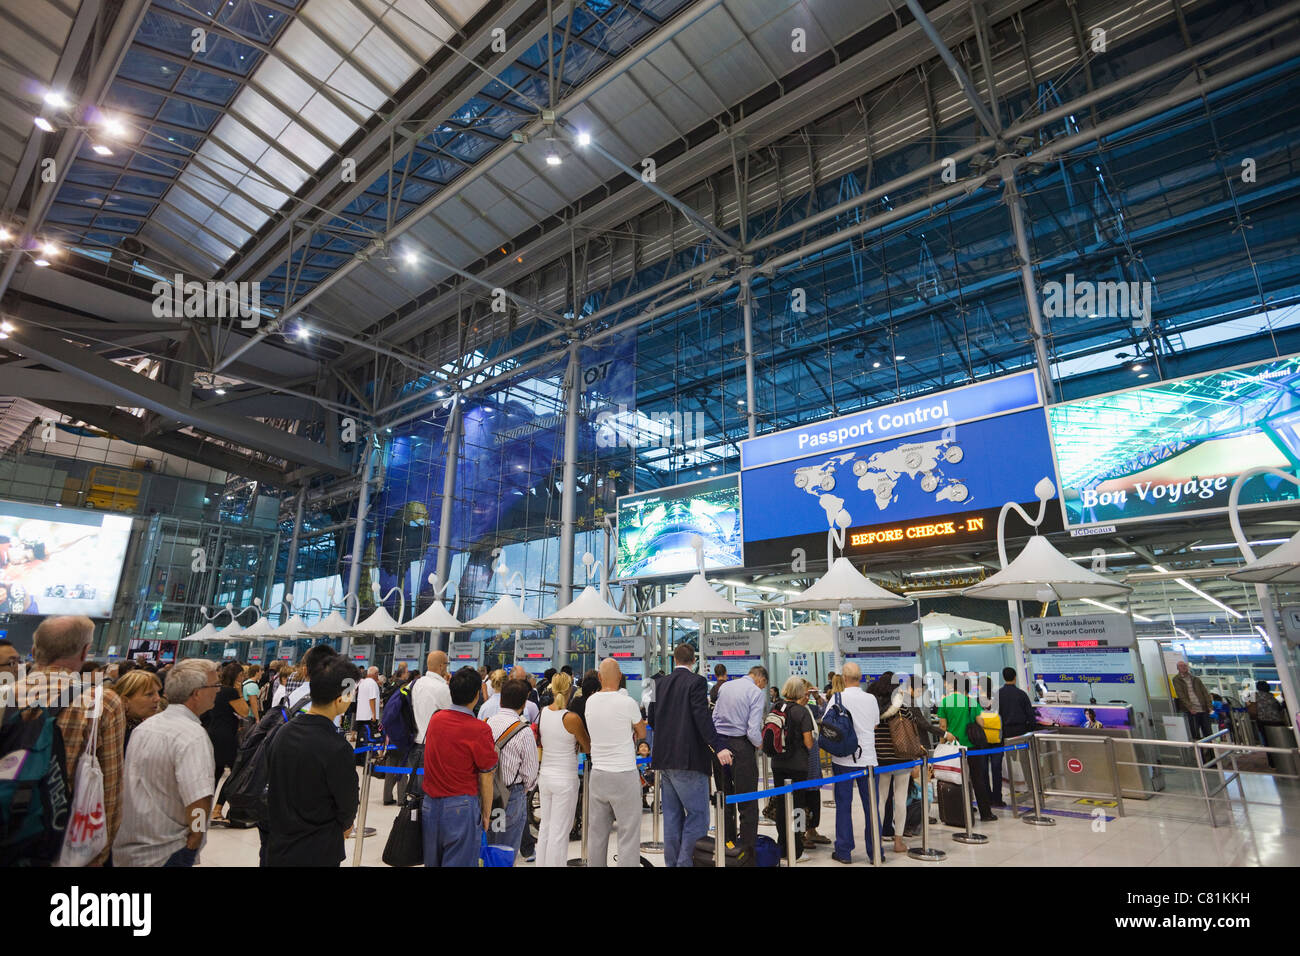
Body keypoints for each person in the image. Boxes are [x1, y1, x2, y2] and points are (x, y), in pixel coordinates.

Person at [12, 615, 125, 866]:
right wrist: (99, 855)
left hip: (8, 829)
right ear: (85, 652)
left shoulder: (5, 693)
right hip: (65, 840)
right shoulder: (101, 701)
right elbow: (110, 792)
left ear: (33, 650)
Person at [113, 660, 217, 867]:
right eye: (215, 686)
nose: (217, 692)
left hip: (130, 845)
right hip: (167, 850)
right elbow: (198, 798)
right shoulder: (192, 735)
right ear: (197, 693)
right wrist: (195, 839)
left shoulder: (146, 727)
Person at [264, 655, 359, 866]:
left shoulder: (282, 732)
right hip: (318, 850)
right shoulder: (337, 747)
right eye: (351, 692)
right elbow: (347, 804)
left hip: (279, 847)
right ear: (340, 698)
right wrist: (346, 825)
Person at [649, 644, 733, 867]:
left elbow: (652, 719)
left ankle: (673, 863)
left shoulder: (659, 683)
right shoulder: (696, 682)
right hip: (689, 760)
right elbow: (701, 717)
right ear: (693, 661)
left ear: (674, 659)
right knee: (698, 817)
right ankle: (685, 864)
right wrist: (718, 746)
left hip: (664, 760)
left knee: (672, 818)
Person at [422, 666, 498, 867]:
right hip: (461, 807)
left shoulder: (435, 719)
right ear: (476, 696)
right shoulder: (479, 729)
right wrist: (487, 813)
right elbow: (486, 775)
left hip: (430, 805)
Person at [584, 658, 646, 867]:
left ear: (600, 677)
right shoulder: (627, 703)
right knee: (628, 834)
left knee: (597, 834)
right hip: (624, 774)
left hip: (599, 774)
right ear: (620, 677)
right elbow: (642, 731)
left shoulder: (590, 701)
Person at [712, 664, 768, 857]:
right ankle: (746, 851)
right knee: (747, 801)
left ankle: (727, 845)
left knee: (724, 798)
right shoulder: (756, 692)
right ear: (760, 679)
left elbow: (714, 716)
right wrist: (760, 744)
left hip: (720, 747)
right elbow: (753, 730)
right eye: (763, 685)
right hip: (741, 748)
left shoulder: (726, 686)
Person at [828, 662, 880, 864]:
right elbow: (875, 724)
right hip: (868, 759)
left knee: (843, 806)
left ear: (843, 677)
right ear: (861, 677)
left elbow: (828, 726)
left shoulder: (837, 697)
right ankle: (876, 851)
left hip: (843, 759)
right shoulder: (871, 699)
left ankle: (844, 851)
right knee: (872, 807)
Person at [536, 672, 590, 867]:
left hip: (546, 776)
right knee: (560, 832)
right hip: (565, 778)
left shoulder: (543, 712)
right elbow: (587, 746)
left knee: (546, 828)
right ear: (571, 690)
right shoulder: (571, 718)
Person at [484, 678, 539, 862]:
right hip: (512, 794)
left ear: (501, 700)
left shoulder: (485, 723)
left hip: (484, 793)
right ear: (524, 704)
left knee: (487, 846)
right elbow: (530, 772)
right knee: (505, 851)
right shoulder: (523, 731)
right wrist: (524, 789)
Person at [937, 672, 996, 822]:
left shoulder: (945, 702)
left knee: (957, 779)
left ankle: (961, 812)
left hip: (954, 748)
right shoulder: (970, 701)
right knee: (978, 779)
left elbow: (942, 726)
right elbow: (980, 722)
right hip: (973, 746)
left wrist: (942, 745)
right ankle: (986, 813)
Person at [770, 676, 816, 860]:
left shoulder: (776, 708)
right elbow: (809, 743)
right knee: (798, 807)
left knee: (781, 805)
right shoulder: (801, 712)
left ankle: (782, 847)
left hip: (777, 763)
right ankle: (796, 849)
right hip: (797, 766)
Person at [203, 660, 248, 823]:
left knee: (216, 772)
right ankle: (218, 808)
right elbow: (244, 711)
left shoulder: (217, 690)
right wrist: (240, 692)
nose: (243, 678)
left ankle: (206, 811)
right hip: (227, 736)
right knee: (237, 772)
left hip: (213, 733)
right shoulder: (231, 692)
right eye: (242, 675)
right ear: (236, 676)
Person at [994, 667, 1035, 807]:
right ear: (1015, 677)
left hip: (1006, 733)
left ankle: (1012, 787)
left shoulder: (998, 694)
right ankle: (1029, 787)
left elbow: (995, 715)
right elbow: (1030, 715)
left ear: (1003, 677)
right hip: (1021, 731)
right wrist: (1031, 729)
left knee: (1009, 761)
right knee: (1025, 760)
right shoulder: (1021, 694)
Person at [116, 669, 163, 752]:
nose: (158, 698)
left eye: (157, 692)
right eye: (149, 694)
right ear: (125, 700)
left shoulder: (141, 724)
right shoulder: (119, 733)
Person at [1172, 660, 1213, 740]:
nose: (1183, 667)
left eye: (1185, 665)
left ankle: (1210, 752)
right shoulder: (1176, 680)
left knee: (1208, 733)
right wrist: (1190, 707)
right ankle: (1199, 752)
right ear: (1177, 668)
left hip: (1203, 709)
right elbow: (1181, 695)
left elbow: (1205, 692)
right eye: (1181, 666)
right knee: (1195, 734)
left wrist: (1209, 706)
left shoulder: (1195, 679)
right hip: (1191, 711)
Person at [354, 665, 382, 752]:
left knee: (361, 739)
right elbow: (372, 699)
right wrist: (373, 714)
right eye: (377, 674)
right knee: (370, 738)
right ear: (375, 674)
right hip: (369, 716)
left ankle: (359, 758)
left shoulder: (362, 682)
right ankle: (367, 758)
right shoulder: (372, 683)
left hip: (361, 715)